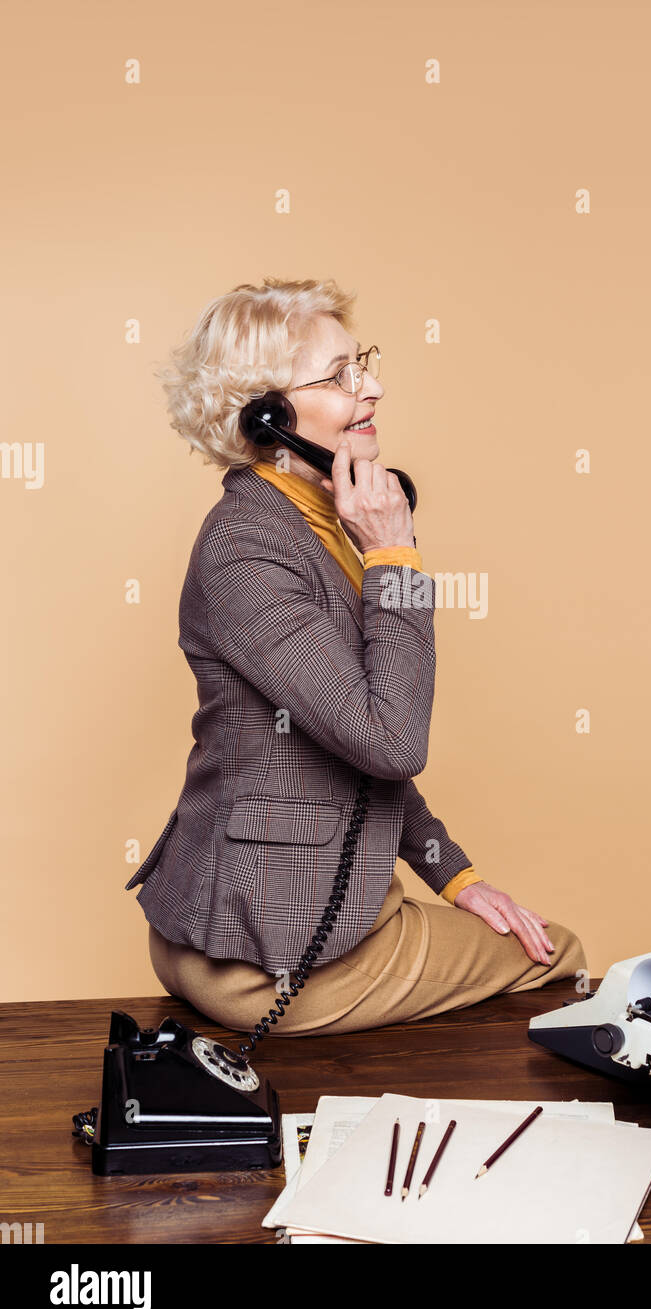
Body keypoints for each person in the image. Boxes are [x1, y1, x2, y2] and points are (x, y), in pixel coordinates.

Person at [126, 276, 585, 1036]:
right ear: (267, 416)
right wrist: (395, 555)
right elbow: (389, 740)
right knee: (559, 954)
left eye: (361, 363)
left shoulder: (307, 526)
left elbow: (343, 746)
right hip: (269, 959)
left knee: (487, 932)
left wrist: (455, 874)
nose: (373, 387)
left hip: (243, 927)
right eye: (339, 377)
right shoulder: (248, 549)